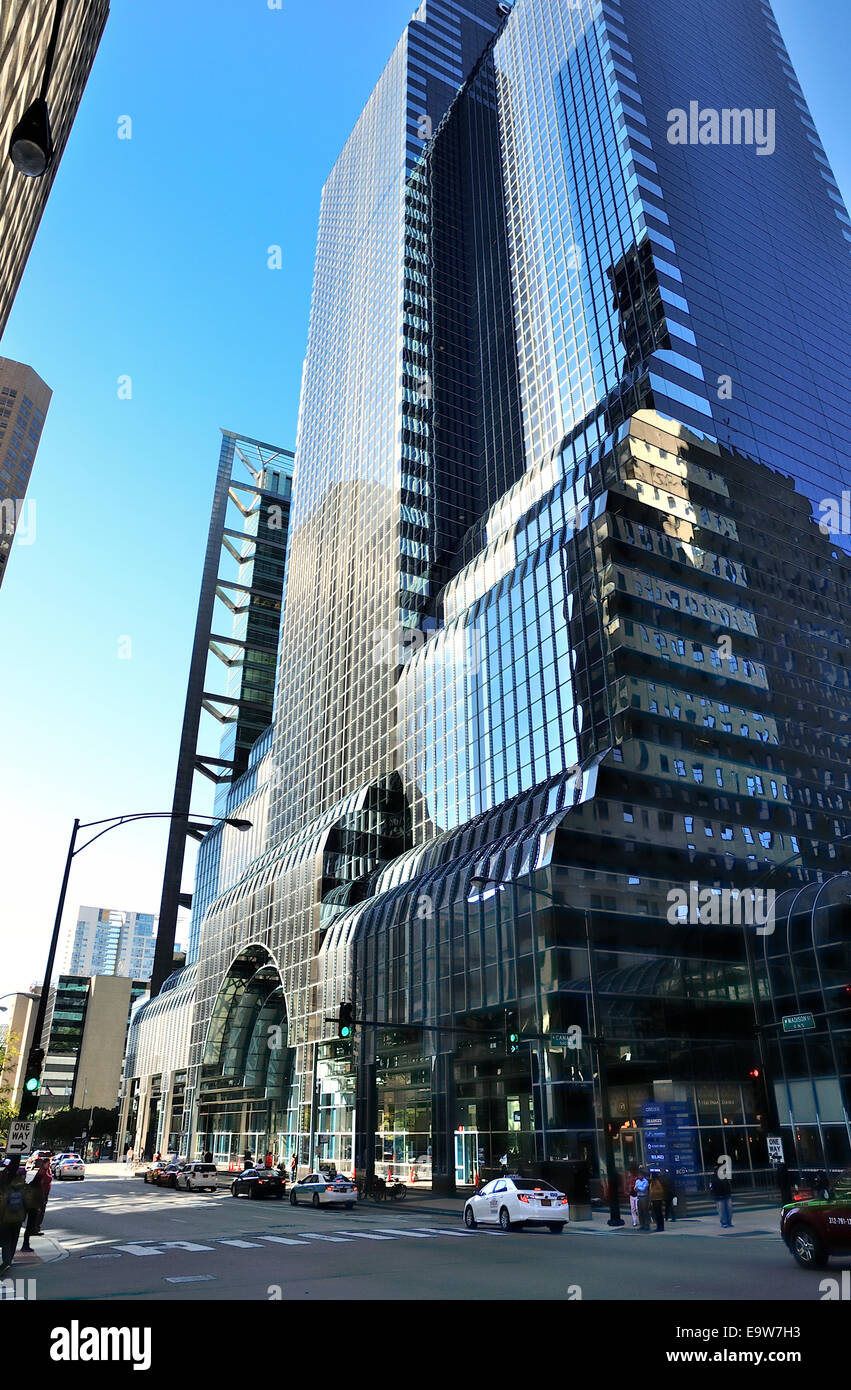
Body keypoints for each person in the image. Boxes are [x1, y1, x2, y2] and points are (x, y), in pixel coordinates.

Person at [0, 1157, 36, 1276]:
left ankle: (6, 1261)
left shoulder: (7, 1189)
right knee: (14, 1239)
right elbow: (29, 1203)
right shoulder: (24, 1189)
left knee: (6, 1240)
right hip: (18, 1218)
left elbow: (2, 1204)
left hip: (6, 1219)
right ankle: (9, 1260)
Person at [21, 1156, 52, 1252]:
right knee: (32, 1220)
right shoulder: (42, 1174)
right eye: (47, 1163)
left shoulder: (43, 1172)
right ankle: (28, 1239)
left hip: (37, 1199)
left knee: (32, 1220)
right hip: (35, 1201)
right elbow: (41, 1185)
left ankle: (32, 1234)